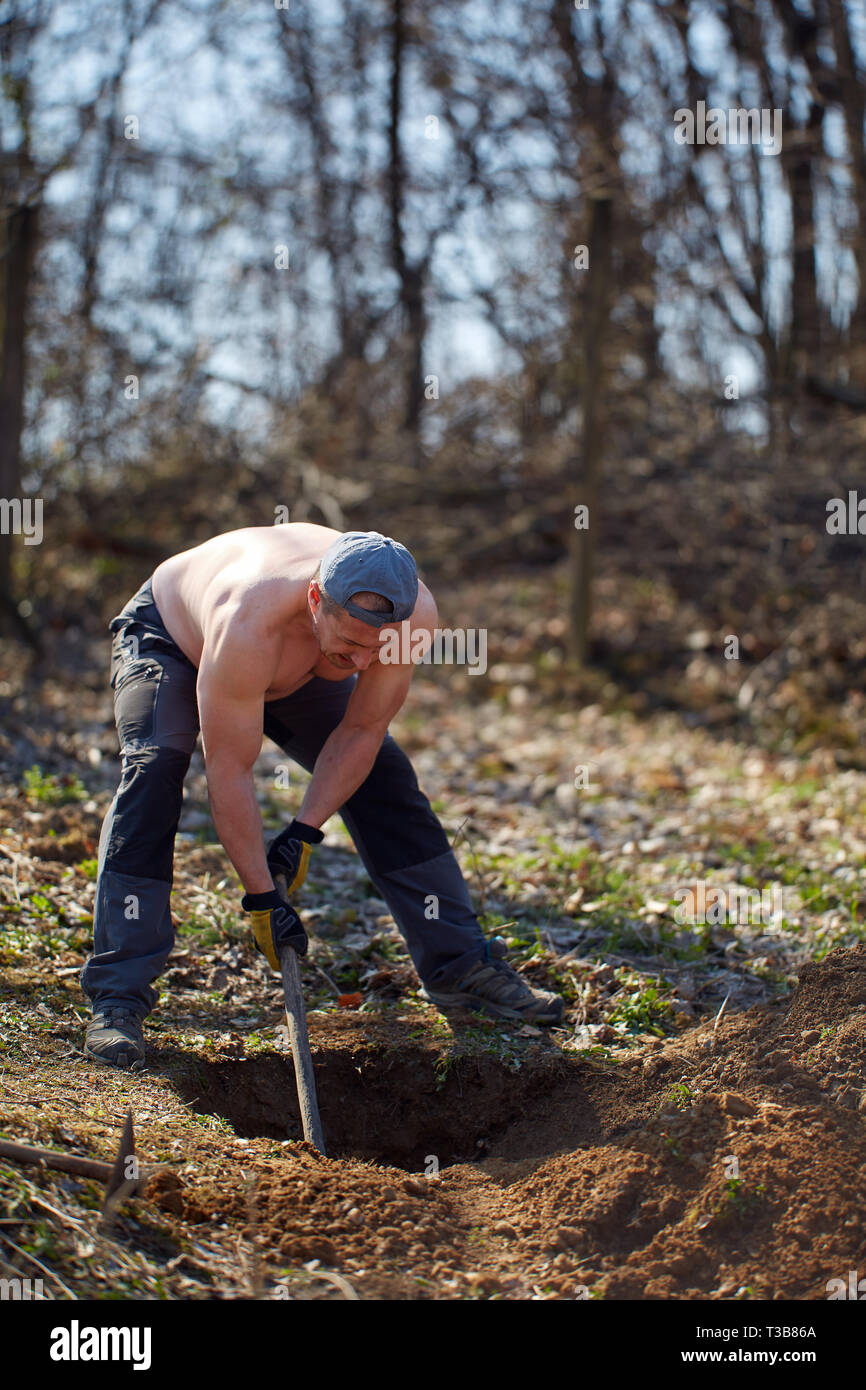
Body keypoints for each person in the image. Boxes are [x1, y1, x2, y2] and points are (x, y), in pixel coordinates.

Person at [81, 524, 563, 1070]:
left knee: (385, 780)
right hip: (172, 639)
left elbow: (361, 733)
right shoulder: (249, 619)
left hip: (302, 666)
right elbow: (231, 770)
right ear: (316, 599)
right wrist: (262, 897)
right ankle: (118, 996)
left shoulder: (411, 620)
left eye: (375, 650)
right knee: (154, 771)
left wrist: (306, 829)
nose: (362, 664)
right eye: (354, 643)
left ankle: (460, 967)